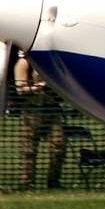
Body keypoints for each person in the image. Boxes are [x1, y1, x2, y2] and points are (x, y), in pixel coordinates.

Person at [14, 54, 67, 189]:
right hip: (32, 111)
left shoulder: (52, 62)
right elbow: (20, 89)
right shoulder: (24, 63)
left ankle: (54, 181)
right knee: (28, 150)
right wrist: (37, 87)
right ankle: (27, 182)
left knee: (58, 147)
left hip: (52, 110)